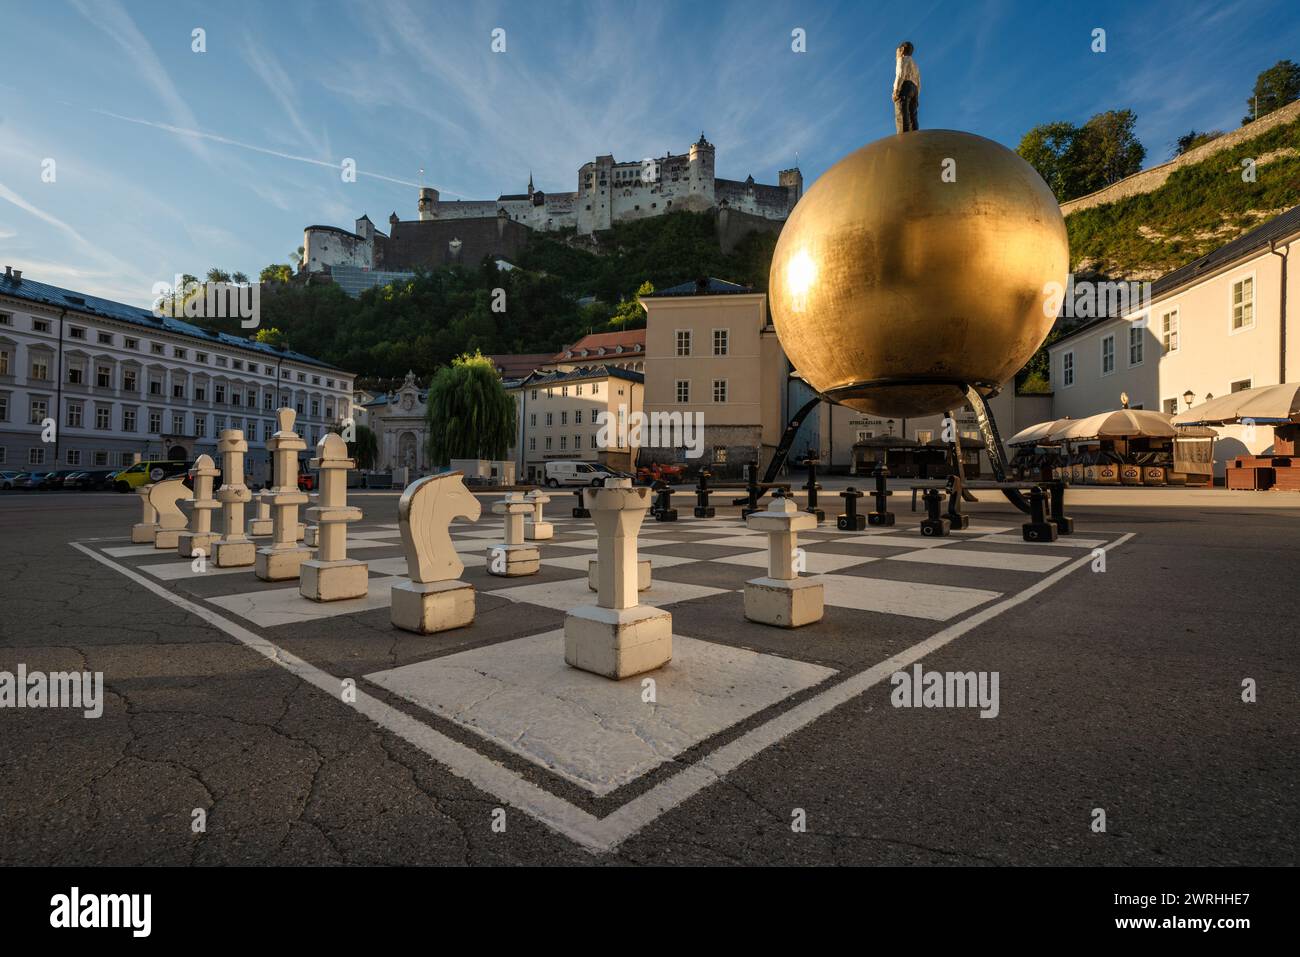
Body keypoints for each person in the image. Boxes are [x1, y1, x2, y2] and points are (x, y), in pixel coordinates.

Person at [893, 40, 920, 133]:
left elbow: (900, 74)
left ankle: (904, 139)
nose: (896, 54)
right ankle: (915, 135)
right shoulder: (915, 64)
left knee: (902, 113)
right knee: (913, 116)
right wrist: (917, 96)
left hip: (905, 86)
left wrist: (896, 90)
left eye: (897, 51)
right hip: (915, 89)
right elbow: (918, 81)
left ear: (902, 49)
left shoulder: (902, 59)